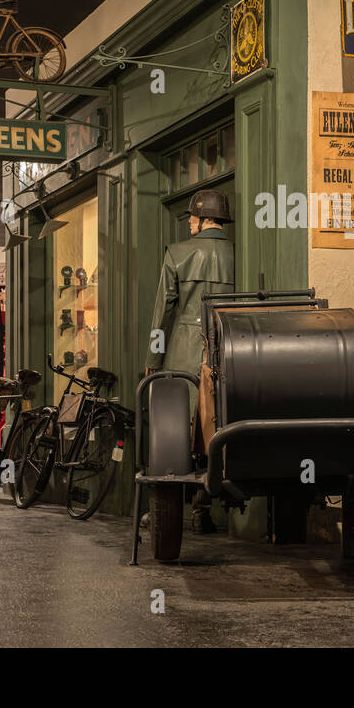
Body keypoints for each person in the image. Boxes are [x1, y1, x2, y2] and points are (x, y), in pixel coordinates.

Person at [145, 189, 235, 533]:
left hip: (184, 352)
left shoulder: (177, 253)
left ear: (199, 218)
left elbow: (162, 313)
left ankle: (169, 510)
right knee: (217, 429)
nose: (191, 224)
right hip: (229, 351)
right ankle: (204, 509)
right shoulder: (238, 252)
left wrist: (154, 357)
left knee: (177, 433)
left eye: (192, 218)